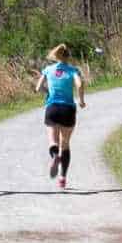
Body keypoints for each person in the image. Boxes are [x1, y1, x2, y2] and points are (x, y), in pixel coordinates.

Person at [34, 43, 87, 189]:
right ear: (68, 56)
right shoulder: (72, 70)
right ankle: (62, 178)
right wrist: (81, 100)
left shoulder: (48, 70)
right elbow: (80, 84)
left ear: (55, 56)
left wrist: (49, 91)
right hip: (68, 109)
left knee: (53, 142)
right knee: (65, 144)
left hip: (52, 107)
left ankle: (54, 156)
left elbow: (38, 88)